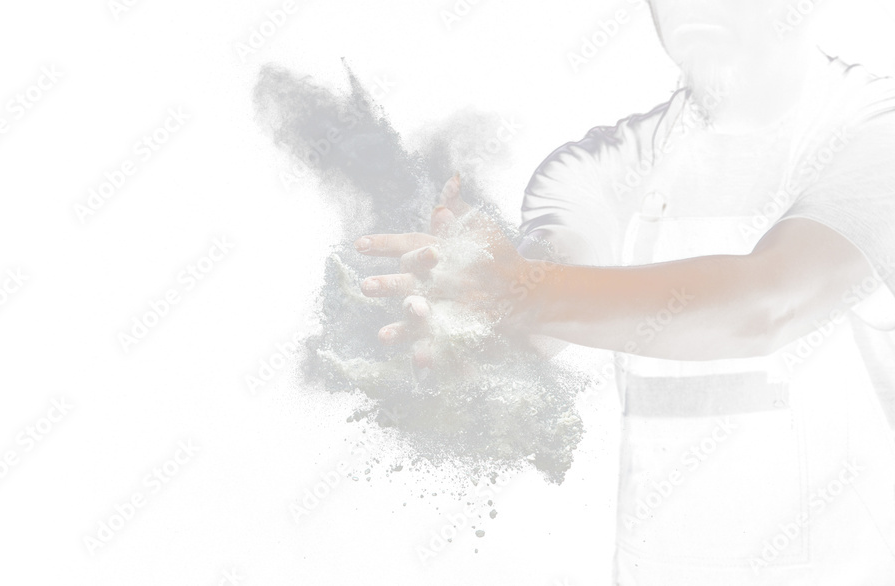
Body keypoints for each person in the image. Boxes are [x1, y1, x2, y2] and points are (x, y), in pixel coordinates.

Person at [354, 0, 895, 583]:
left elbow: (769, 305)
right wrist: (458, 314)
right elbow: (549, 298)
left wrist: (514, 293)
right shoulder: (600, 165)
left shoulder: (873, 131)